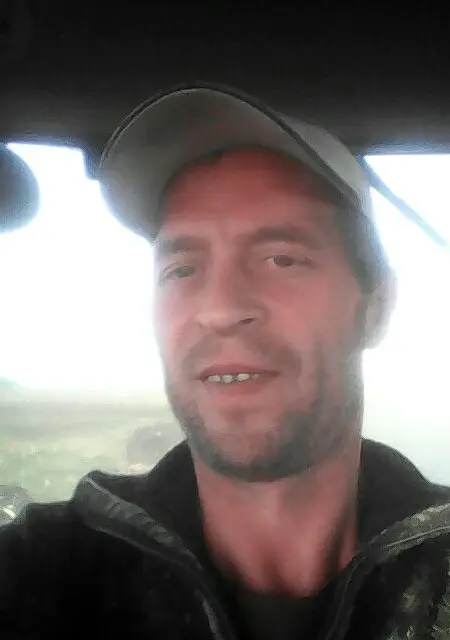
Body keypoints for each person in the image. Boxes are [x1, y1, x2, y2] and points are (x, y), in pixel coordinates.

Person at [1, 83, 449, 639]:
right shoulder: (41, 572)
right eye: (182, 270)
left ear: (375, 309)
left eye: (281, 259)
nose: (218, 309)